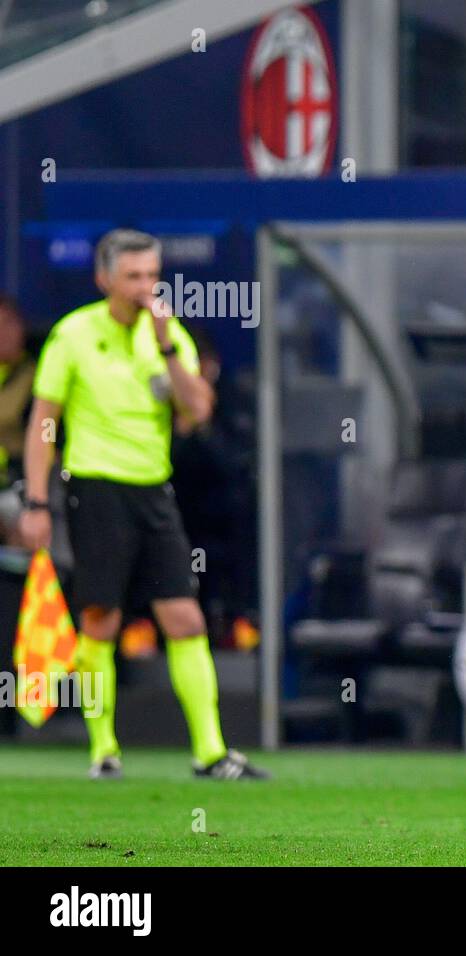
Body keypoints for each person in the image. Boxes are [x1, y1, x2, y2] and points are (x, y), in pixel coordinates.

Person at [19, 228, 267, 780]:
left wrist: (168, 347)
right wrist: (37, 501)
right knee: (101, 618)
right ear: (104, 278)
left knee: (183, 615)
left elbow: (199, 410)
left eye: (152, 275)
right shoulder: (74, 335)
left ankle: (210, 752)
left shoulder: (166, 335)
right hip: (96, 486)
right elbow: (43, 422)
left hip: (154, 490)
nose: (144, 286)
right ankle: (103, 750)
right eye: (132, 276)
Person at [0, 295, 36, 543]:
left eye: (11, 324)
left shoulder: (37, 375)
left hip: (19, 481)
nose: (5, 333)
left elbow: (50, 432)